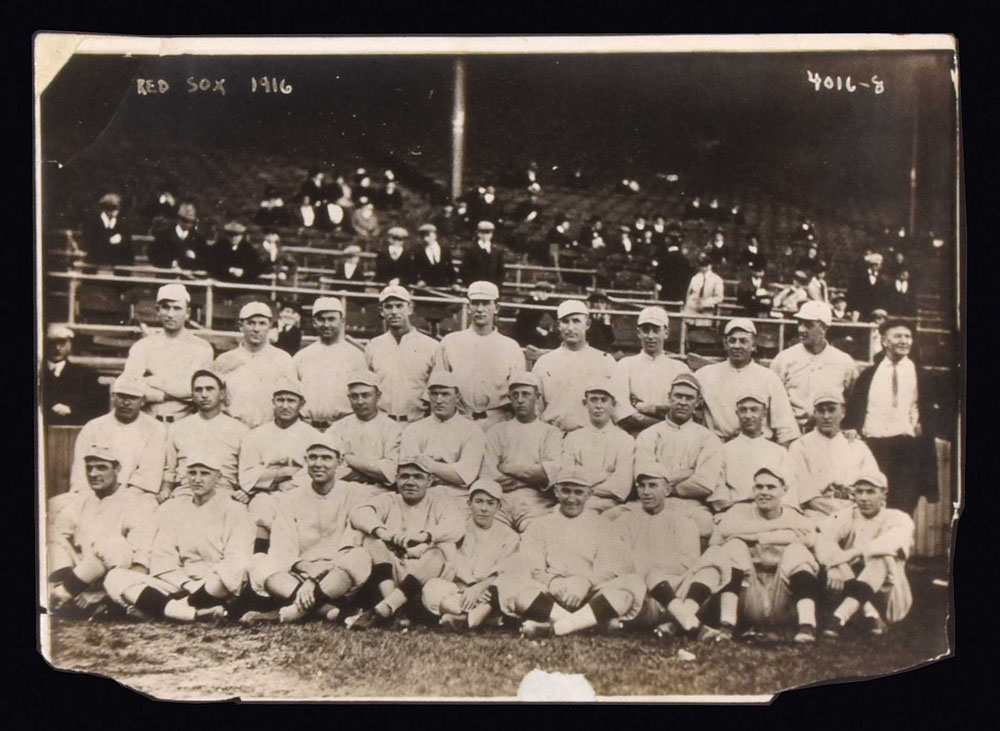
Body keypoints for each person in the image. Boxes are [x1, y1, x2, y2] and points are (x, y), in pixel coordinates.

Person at [104, 450, 255, 622]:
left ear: (218, 477)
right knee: (115, 577)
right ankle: (194, 613)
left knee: (235, 569)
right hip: (180, 583)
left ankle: (165, 610)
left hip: (216, 586)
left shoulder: (236, 511)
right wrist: (186, 584)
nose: (197, 479)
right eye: (192, 473)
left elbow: (236, 560)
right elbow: (163, 556)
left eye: (205, 473)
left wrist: (204, 586)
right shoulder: (172, 509)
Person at [242, 432, 376, 624]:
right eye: (313, 457)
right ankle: (332, 612)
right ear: (305, 461)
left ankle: (286, 614)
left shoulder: (355, 493)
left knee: (360, 557)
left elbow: (351, 544)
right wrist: (306, 569)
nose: (318, 464)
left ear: (339, 462)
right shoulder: (291, 498)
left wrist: (315, 579)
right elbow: (282, 547)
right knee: (259, 562)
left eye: (326, 458)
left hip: (337, 575)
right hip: (297, 574)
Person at [495, 466, 642, 639]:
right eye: (566, 491)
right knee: (512, 580)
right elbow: (532, 565)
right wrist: (554, 582)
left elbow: (610, 568)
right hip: (550, 596)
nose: (571, 498)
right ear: (556, 491)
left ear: (589, 494)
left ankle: (556, 627)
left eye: (578, 492)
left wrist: (585, 583)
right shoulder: (539, 525)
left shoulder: (603, 526)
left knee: (630, 586)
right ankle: (587, 624)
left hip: (590, 594)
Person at [687, 465, 820, 643]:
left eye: (771, 487)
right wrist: (778, 534)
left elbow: (810, 538)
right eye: (759, 487)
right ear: (753, 489)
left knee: (797, 551)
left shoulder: (793, 515)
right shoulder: (739, 511)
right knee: (734, 546)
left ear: (784, 490)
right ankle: (727, 625)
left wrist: (756, 536)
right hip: (746, 592)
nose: (764, 492)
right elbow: (718, 538)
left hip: (781, 594)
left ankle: (807, 627)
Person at [346, 456, 465, 629]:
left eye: (417, 477)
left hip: (423, 579)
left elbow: (456, 526)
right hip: (391, 574)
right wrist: (384, 533)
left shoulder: (440, 503)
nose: (410, 482)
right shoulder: (389, 499)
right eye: (405, 476)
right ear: (396, 478)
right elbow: (359, 514)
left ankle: (386, 608)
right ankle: (393, 607)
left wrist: (424, 536)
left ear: (430, 480)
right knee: (371, 539)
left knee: (441, 550)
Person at [47, 443, 156, 615]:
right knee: (49, 534)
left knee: (111, 544)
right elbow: (58, 537)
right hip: (80, 574)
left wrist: (106, 593)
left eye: (101, 468)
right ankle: (70, 593)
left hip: (114, 577)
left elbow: (140, 564)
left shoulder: (137, 503)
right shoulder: (81, 501)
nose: (93, 474)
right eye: (89, 468)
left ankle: (64, 595)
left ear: (117, 469)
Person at [844, 320, 938, 516]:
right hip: (875, 447)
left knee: (904, 504)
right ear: (885, 341)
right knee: (873, 501)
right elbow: (854, 410)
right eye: (898, 336)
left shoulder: (922, 375)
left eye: (908, 337)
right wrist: (853, 427)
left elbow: (941, 408)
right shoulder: (869, 375)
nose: (904, 341)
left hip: (908, 447)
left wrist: (925, 424)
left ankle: (898, 546)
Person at [606, 463, 704, 636]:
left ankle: (679, 620)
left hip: (676, 593)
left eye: (652, 485)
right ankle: (685, 623)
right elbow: (620, 564)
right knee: (648, 576)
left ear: (667, 490)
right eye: (641, 486)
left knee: (713, 560)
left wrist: (650, 567)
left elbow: (689, 563)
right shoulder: (623, 522)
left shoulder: (684, 522)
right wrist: (653, 569)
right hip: (642, 599)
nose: (645, 491)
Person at [816, 470, 915, 638]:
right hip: (848, 585)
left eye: (870, 491)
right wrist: (834, 565)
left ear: (884, 494)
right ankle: (864, 615)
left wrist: (855, 552)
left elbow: (891, 541)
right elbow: (822, 539)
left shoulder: (898, 518)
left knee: (882, 557)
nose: (863, 498)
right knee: (841, 559)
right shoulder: (846, 515)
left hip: (886, 593)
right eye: (859, 491)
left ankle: (841, 615)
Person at [421, 479, 520, 630]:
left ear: (498, 507)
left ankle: (465, 619)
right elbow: (453, 566)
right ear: (469, 504)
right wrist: (470, 589)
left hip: (490, 591)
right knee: (431, 588)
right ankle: (479, 617)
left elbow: (503, 572)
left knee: (510, 587)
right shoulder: (458, 530)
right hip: (461, 591)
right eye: (478, 502)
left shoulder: (509, 536)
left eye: (490, 503)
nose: (484, 509)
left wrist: (479, 589)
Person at [634, 373, 723, 539]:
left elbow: (704, 483)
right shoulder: (649, 435)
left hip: (689, 505)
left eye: (689, 398)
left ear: (697, 403)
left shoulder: (708, 438)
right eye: (678, 396)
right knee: (615, 520)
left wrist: (664, 485)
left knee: (705, 526)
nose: (682, 402)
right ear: (669, 398)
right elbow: (644, 476)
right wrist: (688, 472)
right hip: (649, 503)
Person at [238, 378, 320, 553]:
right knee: (260, 514)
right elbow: (247, 475)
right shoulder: (256, 435)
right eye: (280, 400)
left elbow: (315, 470)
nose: (285, 405)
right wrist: (282, 474)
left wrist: (289, 481)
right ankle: (259, 562)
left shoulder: (313, 436)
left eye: (291, 400)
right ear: (273, 402)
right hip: (266, 494)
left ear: (301, 403)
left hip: (301, 492)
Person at [433, 281, 525, 429]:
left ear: (496, 308)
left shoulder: (511, 347)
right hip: (459, 421)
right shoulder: (450, 342)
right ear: (469, 307)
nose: (480, 309)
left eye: (486, 303)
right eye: (475, 303)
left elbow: (519, 395)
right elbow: (438, 387)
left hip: (498, 423)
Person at [531, 299, 632, 434]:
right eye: (565, 321)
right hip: (553, 436)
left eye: (576, 321)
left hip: (592, 439)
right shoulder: (544, 362)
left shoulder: (605, 361)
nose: (570, 328)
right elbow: (536, 409)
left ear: (587, 324)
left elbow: (618, 408)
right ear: (558, 326)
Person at [696, 318, 800, 446]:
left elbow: (786, 429)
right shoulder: (705, 375)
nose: (737, 346)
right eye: (732, 341)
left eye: (743, 341)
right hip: (716, 447)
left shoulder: (769, 378)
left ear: (754, 346)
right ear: (725, 344)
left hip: (757, 448)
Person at [482, 372, 563, 533]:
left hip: (536, 503)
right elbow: (489, 475)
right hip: (501, 502)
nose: (520, 400)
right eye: (515, 395)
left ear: (537, 397)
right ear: (510, 399)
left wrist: (507, 468)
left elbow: (548, 474)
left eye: (526, 394)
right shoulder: (496, 431)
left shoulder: (550, 433)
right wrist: (530, 476)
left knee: (537, 539)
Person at [67, 374, 166, 506]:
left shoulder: (155, 429)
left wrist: (117, 501)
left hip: (135, 496)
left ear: (143, 401)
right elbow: (80, 472)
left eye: (133, 398)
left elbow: (147, 476)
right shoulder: (93, 427)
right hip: (94, 495)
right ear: (113, 397)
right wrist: (89, 498)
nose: (126, 402)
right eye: (121, 396)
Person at [122, 283, 214, 425]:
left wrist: (152, 381)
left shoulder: (202, 347)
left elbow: (195, 391)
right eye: (166, 307)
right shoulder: (143, 346)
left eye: (177, 308)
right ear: (158, 311)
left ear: (188, 312)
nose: (170, 314)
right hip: (148, 423)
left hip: (186, 424)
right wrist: (168, 395)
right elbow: (130, 386)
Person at [398, 370, 486, 516]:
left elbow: (464, 476)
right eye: (434, 394)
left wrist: (426, 463)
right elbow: (410, 473)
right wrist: (447, 468)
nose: (439, 400)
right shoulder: (413, 429)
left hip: (457, 497)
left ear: (457, 396)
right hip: (421, 496)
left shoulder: (472, 430)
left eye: (445, 394)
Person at [786, 391, 882, 521]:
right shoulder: (800, 446)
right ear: (814, 413)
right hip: (815, 513)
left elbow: (873, 481)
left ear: (842, 412)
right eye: (821, 411)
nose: (826, 416)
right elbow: (804, 493)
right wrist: (842, 513)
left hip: (856, 510)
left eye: (831, 410)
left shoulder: (857, 446)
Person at [160, 369, 249, 502]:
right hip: (185, 492)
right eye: (198, 390)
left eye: (210, 389)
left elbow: (247, 473)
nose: (204, 395)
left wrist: (244, 492)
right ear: (192, 395)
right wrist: (166, 489)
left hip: (224, 493)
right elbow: (170, 470)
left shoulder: (240, 430)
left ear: (222, 394)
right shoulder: (177, 428)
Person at [770, 301, 858, 431]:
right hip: (792, 433)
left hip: (829, 433)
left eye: (808, 325)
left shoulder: (844, 362)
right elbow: (772, 400)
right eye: (799, 323)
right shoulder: (784, 359)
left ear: (824, 328)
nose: (801, 329)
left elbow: (852, 399)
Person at [212, 301, 297, 429]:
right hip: (232, 430)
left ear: (270, 326)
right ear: (240, 326)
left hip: (270, 432)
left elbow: (292, 402)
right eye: (251, 323)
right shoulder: (224, 359)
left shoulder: (283, 359)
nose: (256, 329)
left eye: (262, 323)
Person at [709, 388, 794, 514]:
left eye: (754, 410)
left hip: (771, 515)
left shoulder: (779, 452)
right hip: (735, 514)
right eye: (743, 410)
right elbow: (719, 494)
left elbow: (789, 490)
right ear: (737, 414)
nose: (748, 416)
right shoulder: (724, 451)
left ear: (764, 414)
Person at [364, 285, 438, 423]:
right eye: (388, 307)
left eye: (399, 306)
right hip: (382, 424)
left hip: (417, 422)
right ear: (381, 311)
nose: (394, 311)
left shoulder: (431, 346)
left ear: (410, 308)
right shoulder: (373, 346)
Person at [559, 380, 635, 514]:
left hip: (610, 505)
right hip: (574, 502)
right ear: (585, 404)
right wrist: (605, 475)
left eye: (604, 400)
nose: (598, 406)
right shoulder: (573, 438)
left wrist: (583, 486)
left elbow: (621, 485)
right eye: (593, 400)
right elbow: (566, 478)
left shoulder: (625, 440)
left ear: (613, 405)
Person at [292, 296, 366, 430]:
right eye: (321, 319)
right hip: (307, 427)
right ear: (314, 322)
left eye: (331, 319)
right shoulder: (301, 356)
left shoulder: (357, 357)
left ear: (342, 321)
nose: (326, 324)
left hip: (344, 427)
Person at [614, 306, 691, 435]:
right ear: (638, 333)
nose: (650, 336)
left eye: (656, 330)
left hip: (671, 438)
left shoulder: (680, 369)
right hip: (634, 437)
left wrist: (647, 408)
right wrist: (664, 421)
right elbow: (622, 414)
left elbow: (684, 412)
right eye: (645, 330)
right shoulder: (625, 365)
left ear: (666, 332)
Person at [328, 371, 402, 490]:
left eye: (366, 395)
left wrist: (348, 459)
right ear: (348, 398)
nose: (360, 401)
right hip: (343, 490)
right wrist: (372, 471)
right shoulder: (338, 427)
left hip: (379, 492)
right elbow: (330, 469)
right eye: (354, 396)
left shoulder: (392, 428)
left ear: (378, 396)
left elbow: (390, 472)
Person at [41, 324, 105, 426]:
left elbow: (97, 410)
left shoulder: (85, 376)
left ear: (70, 344)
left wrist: (71, 410)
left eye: (62, 343)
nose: (57, 348)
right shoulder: (39, 372)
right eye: (51, 343)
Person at [147, 203, 206, 270]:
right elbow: (154, 256)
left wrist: (185, 262)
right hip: (166, 275)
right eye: (186, 220)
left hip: (190, 277)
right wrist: (171, 263)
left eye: (192, 221)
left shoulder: (198, 239)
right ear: (179, 219)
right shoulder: (164, 235)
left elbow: (202, 262)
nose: (190, 224)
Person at [82, 192, 133, 267]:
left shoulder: (122, 223)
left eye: (116, 209)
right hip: (96, 261)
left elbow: (129, 245)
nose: (115, 212)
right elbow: (90, 244)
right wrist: (109, 241)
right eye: (111, 209)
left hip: (117, 262)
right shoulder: (94, 222)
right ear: (105, 209)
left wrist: (121, 239)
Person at [512, 280, 560, 350]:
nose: (544, 294)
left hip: (538, 331)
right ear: (536, 292)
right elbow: (523, 322)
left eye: (547, 292)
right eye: (542, 291)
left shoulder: (549, 303)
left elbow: (556, 316)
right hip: (526, 332)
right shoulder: (528, 303)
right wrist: (540, 330)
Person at [407, 223, 457, 288]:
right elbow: (414, 270)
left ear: (434, 235)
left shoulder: (444, 250)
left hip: (442, 286)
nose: (425, 239)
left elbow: (450, 268)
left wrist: (453, 283)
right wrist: (418, 281)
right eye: (423, 236)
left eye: (428, 235)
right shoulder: (419, 252)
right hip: (424, 287)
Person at [683, 254, 725, 327]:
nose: (702, 268)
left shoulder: (716, 279)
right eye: (701, 265)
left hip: (706, 313)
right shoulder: (695, 278)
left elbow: (719, 297)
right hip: (692, 313)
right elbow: (689, 294)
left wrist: (705, 303)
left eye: (705, 265)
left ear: (710, 266)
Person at [460, 221, 506, 286]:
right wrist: (471, 284)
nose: (485, 236)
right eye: (482, 233)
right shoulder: (471, 250)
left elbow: (501, 271)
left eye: (488, 233)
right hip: (475, 287)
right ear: (478, 234)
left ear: (491, 235)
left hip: (491, 288)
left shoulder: (496, 252)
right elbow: (464, 270)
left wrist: (496, 285)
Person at [847, 252, 889, 321]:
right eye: (877, 265)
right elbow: (853, 293)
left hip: (874, 312)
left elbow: (882, 296)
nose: (879, 267)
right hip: (860, 310)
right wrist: (851, 309)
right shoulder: (860, 276)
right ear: (872, 265)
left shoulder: (881, 279)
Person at [655, 238, 693, 304]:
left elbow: (658, 275)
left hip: (666, 291)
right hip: (680, 292)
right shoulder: (685, 260)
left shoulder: (664, 258)